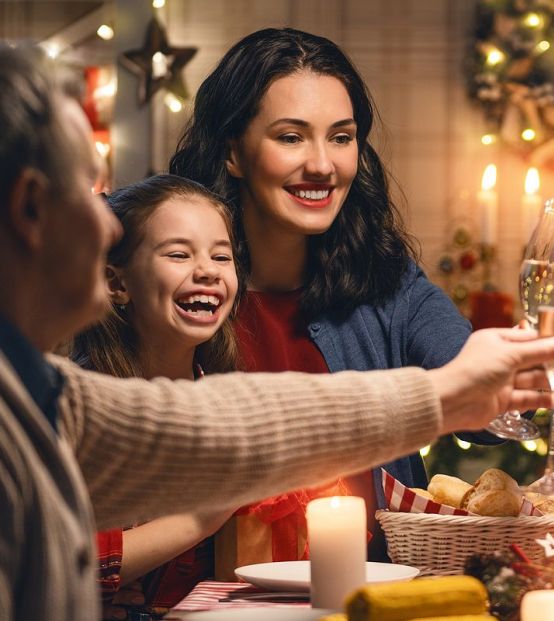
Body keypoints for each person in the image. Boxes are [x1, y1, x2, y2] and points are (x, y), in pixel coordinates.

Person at [0, 40, 554, 620]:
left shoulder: (5, 378)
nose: (109, 224)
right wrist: (440, 395)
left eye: (341, 136)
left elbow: (214, 423)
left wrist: (461, 387)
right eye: (85, 190)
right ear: (30, 209)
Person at [168, 27, 484, 564]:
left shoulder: (390, 284)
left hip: (364, 602)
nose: (322, 165)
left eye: (341, 137)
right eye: (291, 137)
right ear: (232, 154)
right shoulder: (172, 283)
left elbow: (482, 408)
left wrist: (544, 360)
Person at [68, 175, 244, 618]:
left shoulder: (230, 409)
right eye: (179, 254)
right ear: (117, 283)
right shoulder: (81, 410)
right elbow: (59, 559)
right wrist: (202, 518)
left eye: (222, 255)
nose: (207, 269)